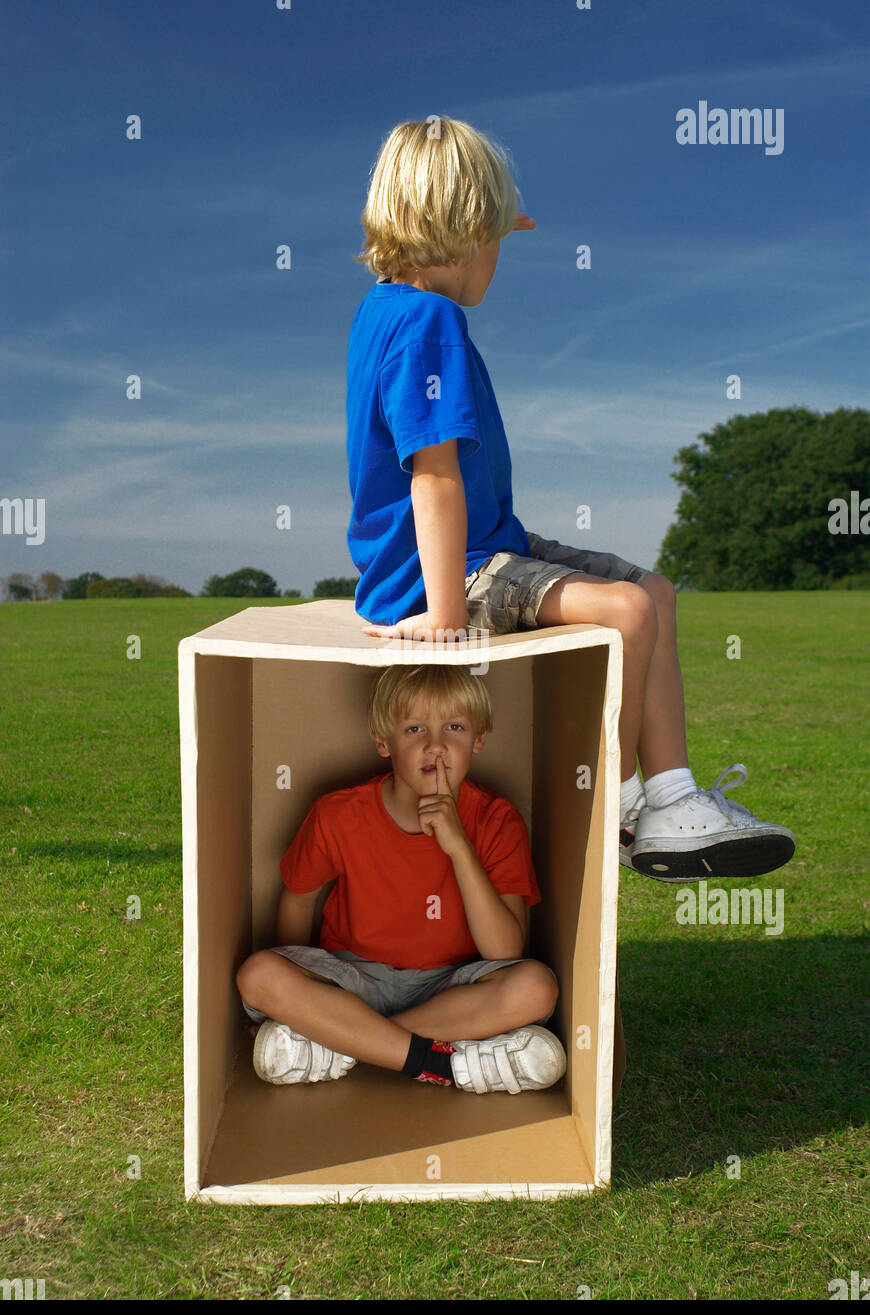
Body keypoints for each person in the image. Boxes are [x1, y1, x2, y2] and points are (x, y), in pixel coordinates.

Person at [346, 115, 795, 883]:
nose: (498, 256)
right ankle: (614, 806)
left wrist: (492, 216)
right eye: (495, 236)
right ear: (467, 227)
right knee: (629, 612)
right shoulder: (428, 322)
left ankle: (673, 798)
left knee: (652, 590)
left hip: (490, 545)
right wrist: (449, 617)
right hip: (447, 574)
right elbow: (434, 474)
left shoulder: (386, 311)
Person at [237, 664, 572, 1092]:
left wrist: (458, 847)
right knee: (259, 975)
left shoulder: (496, 819)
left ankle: (341, 1044)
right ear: (383, 742)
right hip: (350, 979)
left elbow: (506, 949)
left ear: (479, 739)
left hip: (452, 987)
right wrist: (299, 992)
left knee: (536, 988)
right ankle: (443, 1064)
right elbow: (298, 901)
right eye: (415, 729)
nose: (436, 746)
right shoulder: (337, 813)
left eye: (455, 727)